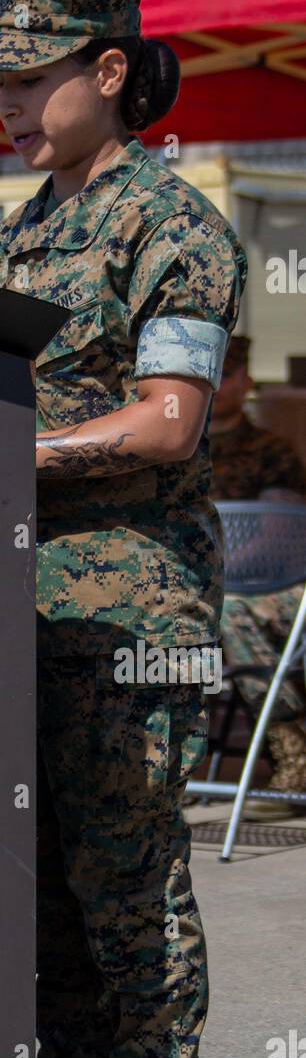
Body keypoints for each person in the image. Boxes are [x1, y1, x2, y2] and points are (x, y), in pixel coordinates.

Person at [0, 0, 248, 1058]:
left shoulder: (173, 226)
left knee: (125, 887)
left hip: (132, 619)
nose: (5, 105)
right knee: (33, 898)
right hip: (14, 608)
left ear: (108, 71)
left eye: (27, 79)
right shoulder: (21, 230)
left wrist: (6, 451)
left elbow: (166, 421)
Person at [209, 335, 306, 819]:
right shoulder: (184, 448)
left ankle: (290, 746)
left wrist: (223, 566)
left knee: (232, 613)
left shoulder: (271, 450)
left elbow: (276, 534)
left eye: (226, 373)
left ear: (246, 380)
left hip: (273, 583)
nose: (216, 383)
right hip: (206, 586)